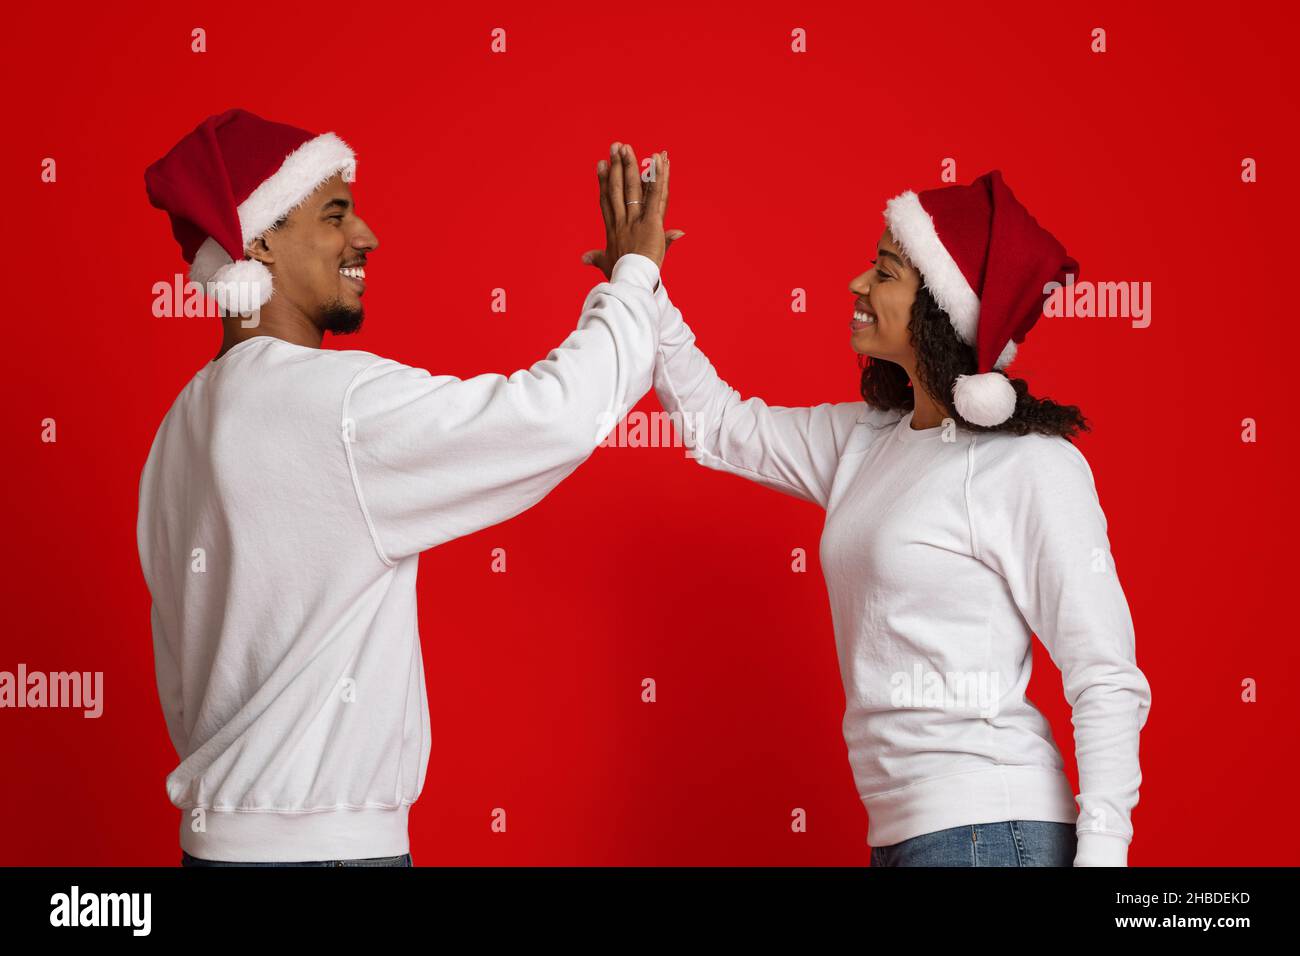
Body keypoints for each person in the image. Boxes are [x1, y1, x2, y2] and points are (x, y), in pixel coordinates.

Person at [138, 110, 670, 865]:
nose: (366, 236)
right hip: (327, 852)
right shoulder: (333, 404)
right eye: (334, 214)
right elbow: (553, 418)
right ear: (256, 240)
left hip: (216, 847)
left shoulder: (177, 431)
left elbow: (186, 680)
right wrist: (634, 277)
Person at [589, 165, 1153, 867]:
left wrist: (1104, 854)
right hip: (909, 837)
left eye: (884, 270)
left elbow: (1104, 672)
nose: (858, 285)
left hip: (990, 828)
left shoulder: (1027, 465)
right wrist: (640, 284)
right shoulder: (867, 440)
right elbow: (718, 426)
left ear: (942, 310)